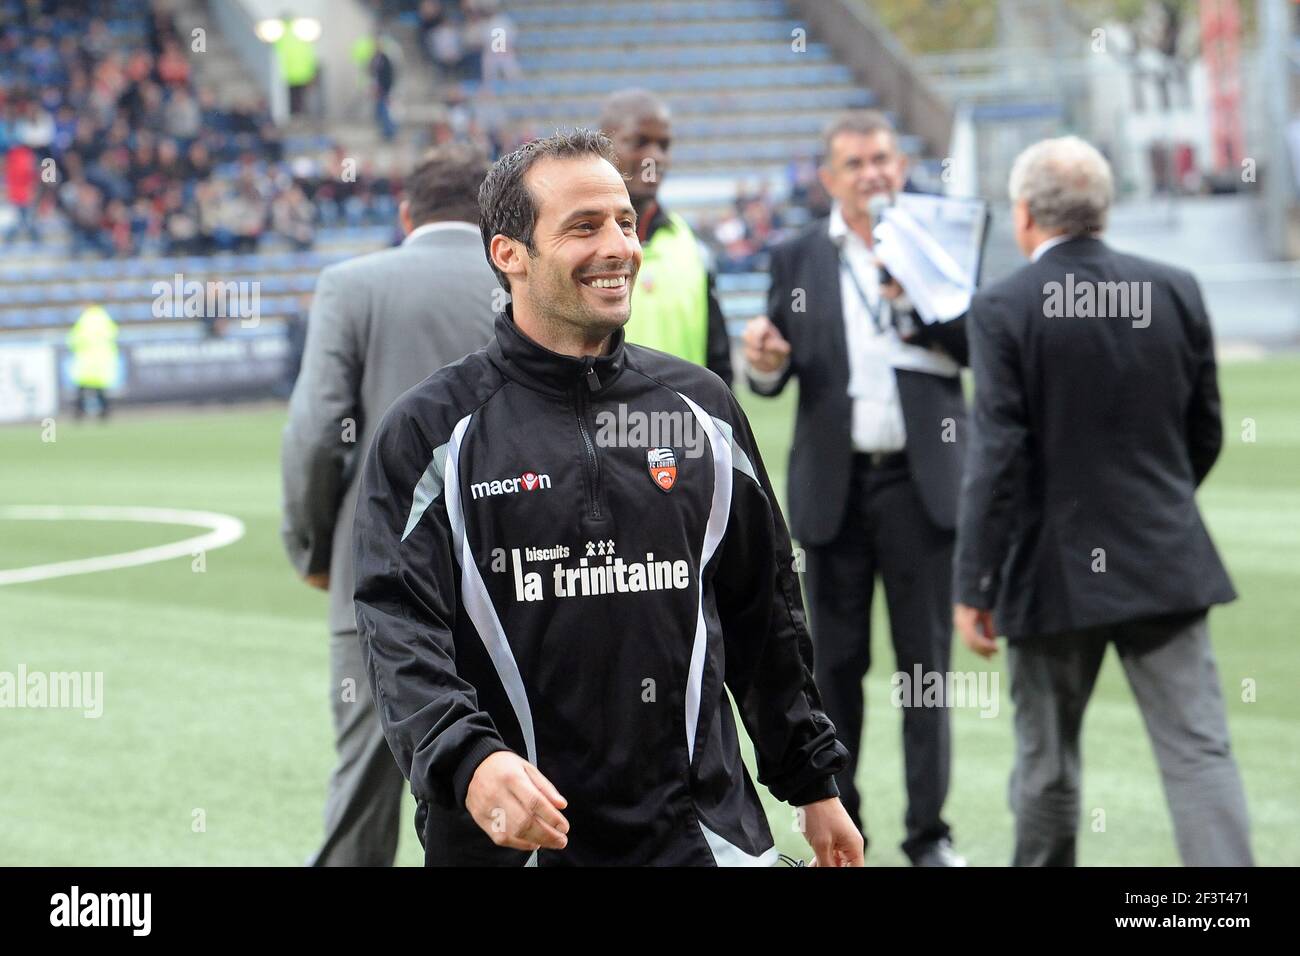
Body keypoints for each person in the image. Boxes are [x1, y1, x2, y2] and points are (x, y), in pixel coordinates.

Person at [351, 129, 862, 866]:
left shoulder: (703, 409)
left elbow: (765, 615)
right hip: (516, 846)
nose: (619, 245)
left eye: (624, 221)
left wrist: (813, 783)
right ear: (509, 254)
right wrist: (468, 759)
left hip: (700, 840)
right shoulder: (431, 431)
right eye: (584, 227)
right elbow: (397, 626)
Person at [953, 136, 1253, 867]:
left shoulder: (1001, 307)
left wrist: (974, 583)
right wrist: (1160, 506)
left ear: (1025, 214)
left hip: (1048, 568)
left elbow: (998, 456)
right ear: (1103, 208)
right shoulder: (1175, 286)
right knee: (1199, 754)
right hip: (1164, 558)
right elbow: (1205, 429)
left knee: (1048, 766)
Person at [742, 110, 968, 866]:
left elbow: (978, 346)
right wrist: (765, 362)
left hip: (920, 485)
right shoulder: (797, 256)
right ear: (831, 177)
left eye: (883, 158)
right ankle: (849, 824)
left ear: (899, 166)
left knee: (925, 672)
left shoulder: (938, 243)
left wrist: (923, 304)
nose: (873, 172)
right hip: (835, 490)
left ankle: (929, 833)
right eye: (856, 163)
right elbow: (774, 374)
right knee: (832, 668)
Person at [281, 143, 499, 867]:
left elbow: (315, 435)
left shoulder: (350, 285)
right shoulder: (525, 282)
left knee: (363, 812)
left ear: (406, 213)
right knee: (520, 795)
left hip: (377, 580)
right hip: (514, 580)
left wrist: (317, 550)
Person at [599, 89, 733, 385]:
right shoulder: (576, 246)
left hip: (684, 427)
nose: (655, 157)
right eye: (639, 142)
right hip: (602, 428)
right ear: (602, 148)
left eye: (664, 145)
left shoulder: (694, 248)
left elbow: (719, 364)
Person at [67, 303, 118, 420]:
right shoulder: (105, 318)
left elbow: (73, 339)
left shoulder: (84, 319)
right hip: (102, 361)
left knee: (82, 389)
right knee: (101, 390)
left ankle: (79, 414)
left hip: (85, 362)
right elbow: (113, 335)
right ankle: (104, 414)